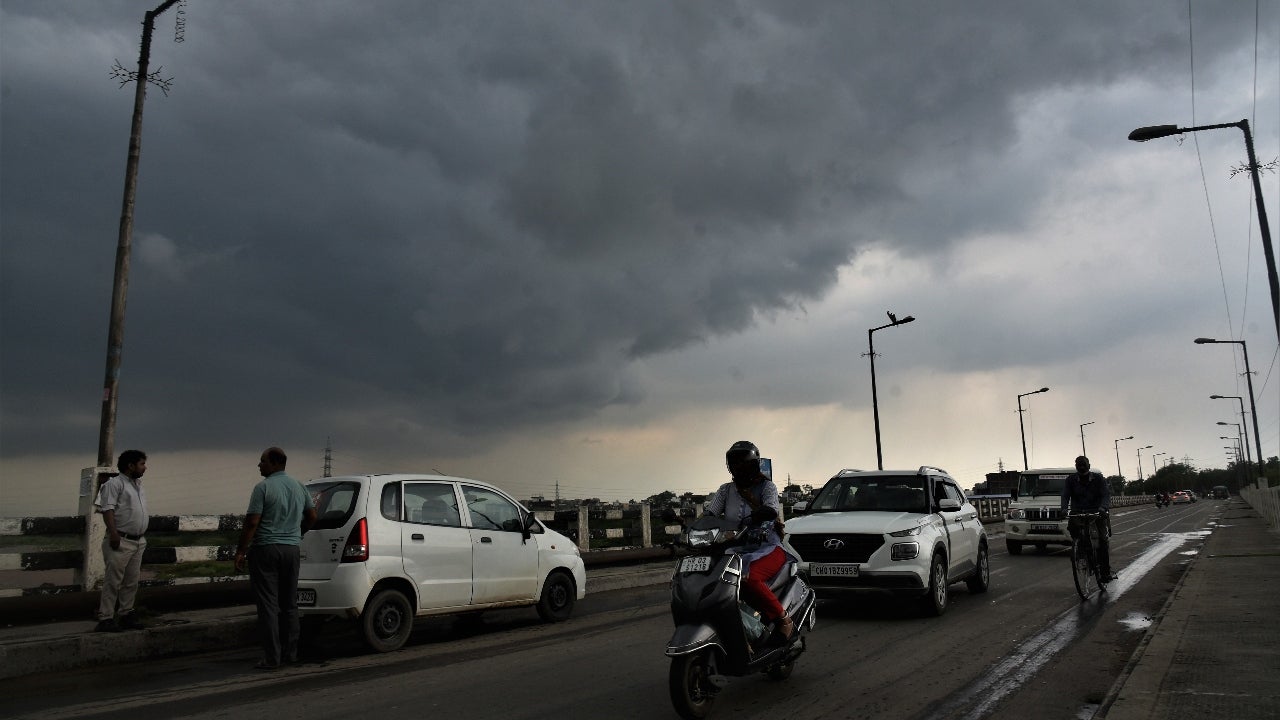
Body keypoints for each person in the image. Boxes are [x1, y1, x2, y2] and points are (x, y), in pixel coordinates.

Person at [704, 440, 796, 643]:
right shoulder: (725, 490)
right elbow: (710, 514)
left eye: (742, 462)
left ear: (753, 464)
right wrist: (694, 526)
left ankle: (784, 620)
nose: (738, 467)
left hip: (766, 547)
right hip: (735, 549)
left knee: (748, 578)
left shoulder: (767, 487)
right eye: (734, 463)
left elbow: (771, 508)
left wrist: (760, 515)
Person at [234, 447, 317, 670]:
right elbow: (312, 516)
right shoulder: (299, 486)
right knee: (290, 604)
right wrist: (297, 533)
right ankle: (291, 653)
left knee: (268, 605)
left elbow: (252, 523)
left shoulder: (262, 488)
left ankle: (272, 657)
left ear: (274, 463)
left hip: (266, 549)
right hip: (291, 550)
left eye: (262, 461)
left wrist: (241, 551)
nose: (259, 465)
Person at [94, 449, 150, 632]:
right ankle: (106, 617)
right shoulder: (114, 484)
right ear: (130, 465)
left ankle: (126, 613)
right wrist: (113, 534)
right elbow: (107, 509)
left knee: (131, 581)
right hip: (121, 539)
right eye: (141, 464)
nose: (145, 467)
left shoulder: (138, 485)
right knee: (113, 580)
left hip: (137, 540)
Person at [1060, 455, 1115, 579]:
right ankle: (1080, 552)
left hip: (1096, 512)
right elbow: (1065, 495)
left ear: (1089, 466)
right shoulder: (1070, 480)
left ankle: (1105, 572)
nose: (1082, 467)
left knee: (1102, 540)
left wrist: (1103, 507)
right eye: (1079, 465)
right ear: (1076, 467)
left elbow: (1106, 495)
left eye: (1084, 465)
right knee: (1073, 529)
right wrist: (1063, 508)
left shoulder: (1098, 479)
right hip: (1078, 512)